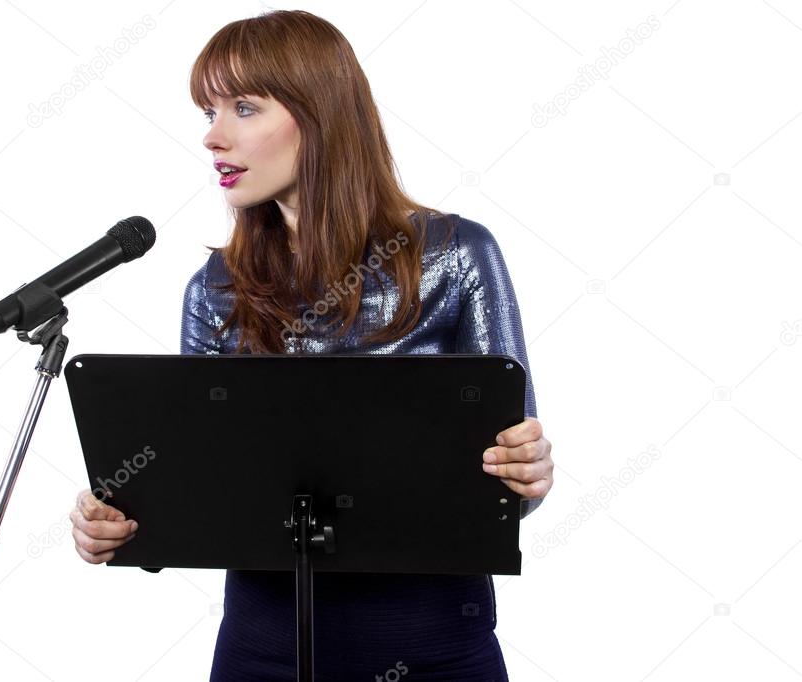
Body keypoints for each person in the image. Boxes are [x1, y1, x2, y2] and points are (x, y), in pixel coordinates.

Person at [71, 9, 554, 680]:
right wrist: (122, 520)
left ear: (320, 114)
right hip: (260, 651)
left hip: (434, 649)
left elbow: (517, 492)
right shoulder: (215, 288)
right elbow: (189, 497)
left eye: (243, 106)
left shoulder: (455, 254)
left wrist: (526, 472)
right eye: (207, 112)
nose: (213, 136)